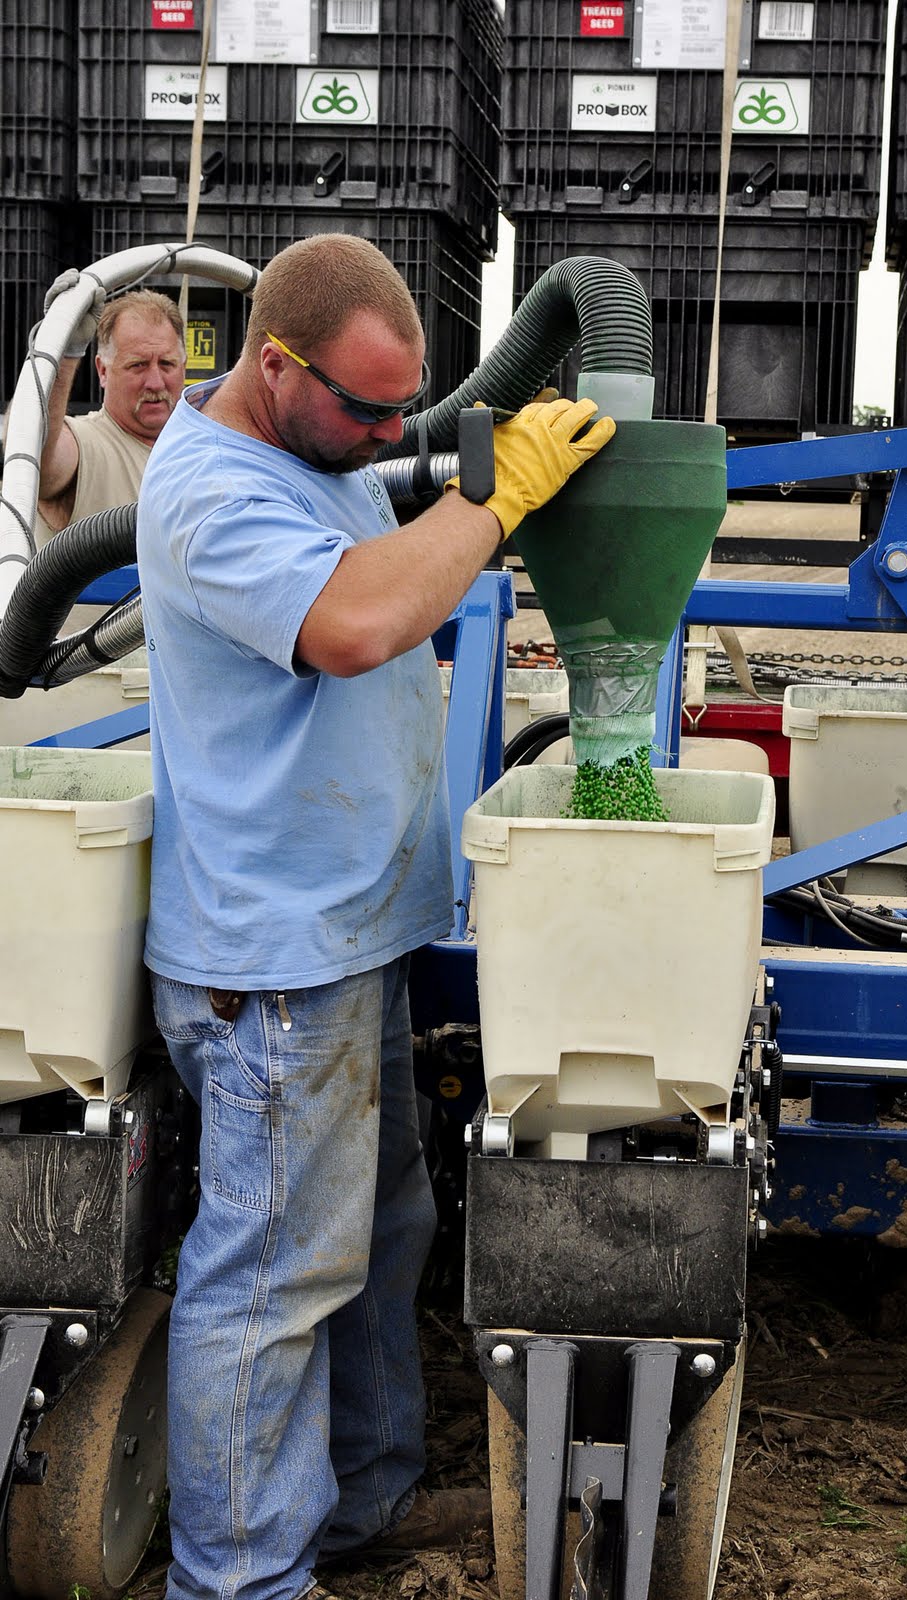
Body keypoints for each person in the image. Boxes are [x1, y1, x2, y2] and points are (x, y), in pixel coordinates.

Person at [134, 231, 615, 1600]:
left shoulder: (314, 455)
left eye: (410, 405)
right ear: (272, 366)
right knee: (273, 1278)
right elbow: (352, 625)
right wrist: (499, 495)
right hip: (274, 964)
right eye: (370, 406)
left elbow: (390, 530)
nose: (398, 432)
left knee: (381, 1228)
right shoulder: (210, 491)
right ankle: (239, 1578)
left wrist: (463, 467)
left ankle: (361, 1495)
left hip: (346, 935)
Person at [34, 280, 186, 545]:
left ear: (183, 366)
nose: (155, 382)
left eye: (166, 364)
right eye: (137, 365)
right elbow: (36, 464)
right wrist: (60, 349)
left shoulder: (200, 450)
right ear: (103, 371)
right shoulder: (86, 444)